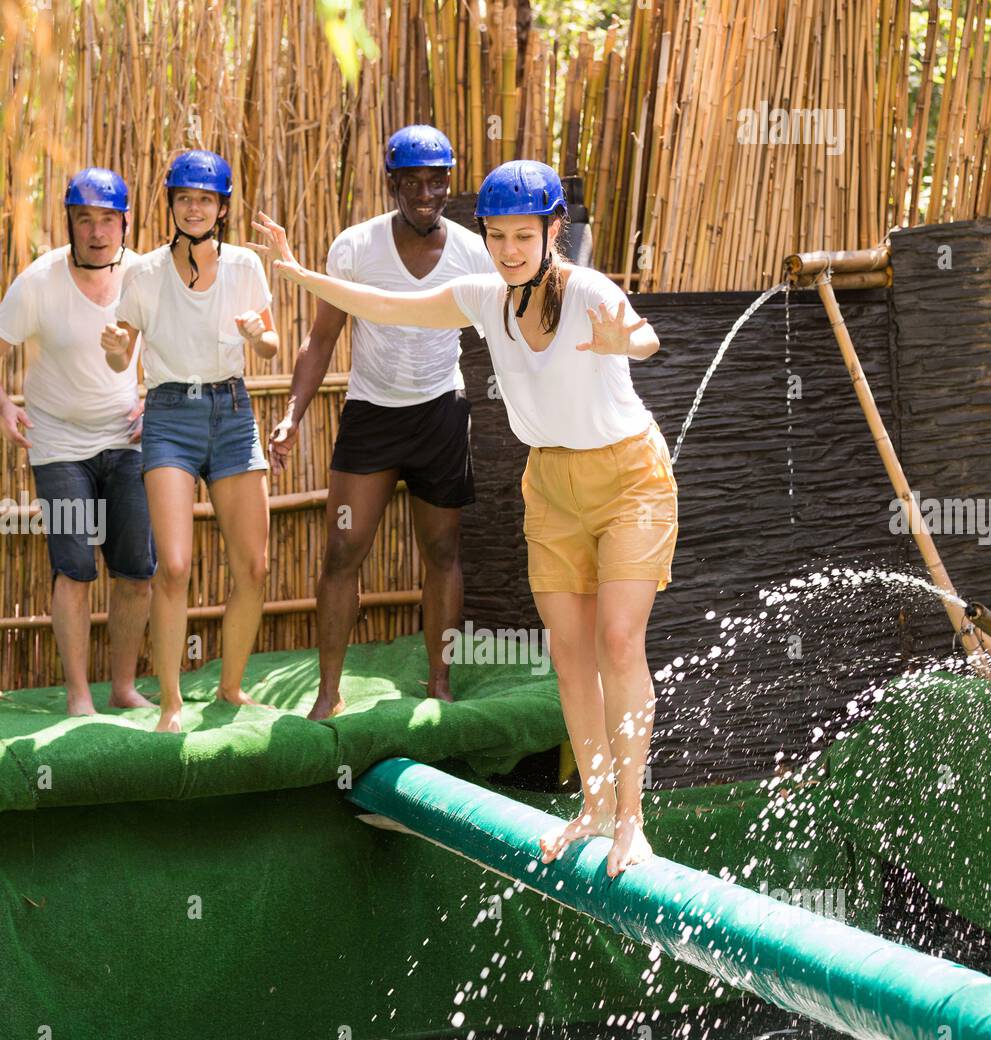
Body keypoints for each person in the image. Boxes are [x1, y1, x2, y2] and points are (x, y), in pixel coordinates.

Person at [251, 159, 677, 877]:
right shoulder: (483, 296)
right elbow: (382, 305)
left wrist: (622, 342)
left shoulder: (587, 293)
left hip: (629, 477)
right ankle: (594, 808)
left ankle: (632, 819)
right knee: (568, 653)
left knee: (615, 638)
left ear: (552, 232)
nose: (510, 249)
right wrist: (298, 275)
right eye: (498, 235)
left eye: (524, 235)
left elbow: (644, 339)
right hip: (550, 483)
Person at [267, 124, 492, 719]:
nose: (426, 192)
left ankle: (439, 685)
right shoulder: (355, 249)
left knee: (442, 550)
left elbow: (510, 338)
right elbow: (319, 341)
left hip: (441, 414)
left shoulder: (474, 253)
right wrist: (292, 413)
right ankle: (327, 693)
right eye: (412, 180)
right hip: (371, 416)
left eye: (437, 180)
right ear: (391, 183)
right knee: (342, 549)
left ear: (449, 182)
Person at [103, 149, 279, 734]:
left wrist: (260, 337)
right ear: (171, 205)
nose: (195, 207)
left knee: (253, 566)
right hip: (170, 415)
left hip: (233, 412)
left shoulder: (247, 268)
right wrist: (110, 345)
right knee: (173, 566)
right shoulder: (144, 273)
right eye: (184, 198)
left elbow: (272, 346)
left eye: (205, 198)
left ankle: (230, 687)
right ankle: (173, 700)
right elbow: (122, 353)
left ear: (222, 207)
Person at [0, 167, 155, 715]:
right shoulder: (39, 280)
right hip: (60, 445)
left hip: (128, 441)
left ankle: (122, 687)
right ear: (69, 222)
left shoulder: (145, 274)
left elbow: (182, 345)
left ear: (125, 222)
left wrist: (152, 400)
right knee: (75, 568)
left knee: (137, 572)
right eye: (84, 219)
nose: (96, 231)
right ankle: (78, 694)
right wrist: (3, 404)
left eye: (107, 219)